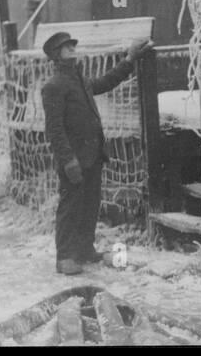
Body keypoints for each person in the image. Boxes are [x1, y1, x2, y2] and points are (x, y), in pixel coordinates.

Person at [41, 31, 152, 275]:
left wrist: (129, 60)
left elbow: (106, 82)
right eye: (66, 47)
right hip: (73, 159)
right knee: (70, 207)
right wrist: (68, 160)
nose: (72, 49)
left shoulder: (79, 81)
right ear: (56, 55)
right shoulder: (53, 86)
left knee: (90, 204)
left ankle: (84, 250)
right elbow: (55, 130)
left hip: (92, 154)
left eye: (72, 46)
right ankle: (65, 257)